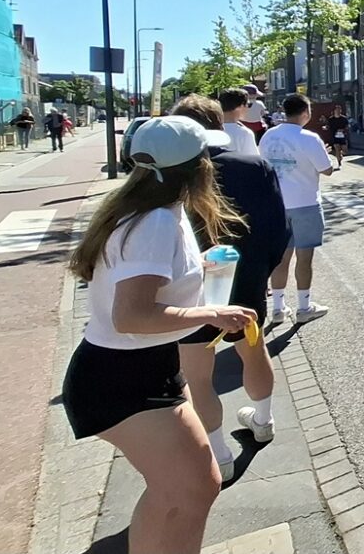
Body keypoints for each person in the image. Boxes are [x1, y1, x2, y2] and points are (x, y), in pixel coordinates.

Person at [62, 115, 256, 554]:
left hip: (137, 369)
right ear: (197, 168)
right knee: (189, 489)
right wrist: (210, 312)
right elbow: (131, 315)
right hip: (122, 379)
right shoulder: (156, 223)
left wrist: (195, 269)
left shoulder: (148, 211)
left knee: (186, 489)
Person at [171, 95, 290, 482]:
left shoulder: (171, 174)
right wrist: (260, 272)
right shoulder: (255, 167)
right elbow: (279, 230)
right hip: (245, 278)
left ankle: (219, 453)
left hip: (192, 289)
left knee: (198, 375)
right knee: (254, 354)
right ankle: (264, 420)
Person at [259, 94, 334, 324]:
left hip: (276, 204)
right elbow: (327, 169)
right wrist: (327, 152)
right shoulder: (310, 138)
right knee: (304, 258)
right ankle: (304, 306)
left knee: (281, 258)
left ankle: (279, 308)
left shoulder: (269, 136)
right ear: (305, 112)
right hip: (305, 204)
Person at [218, 88, 260, 156]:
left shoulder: (209, 129)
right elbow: (253, 160)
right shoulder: (244, 133)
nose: (248, 108)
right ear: (240, 106)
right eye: (248, 105)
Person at [325, 104, 350, 170]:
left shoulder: (344, 119)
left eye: (339, 110)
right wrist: (325, 127)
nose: (338, 111)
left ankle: (341, 154)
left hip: (343, 136)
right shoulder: (331, 119)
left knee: (345, 151)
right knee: (337, 150)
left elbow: (347, 127)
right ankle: (339, 163)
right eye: (337, 110)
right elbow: (328, 126)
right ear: (334, 111)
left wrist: (343, 130)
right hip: (335, 137)